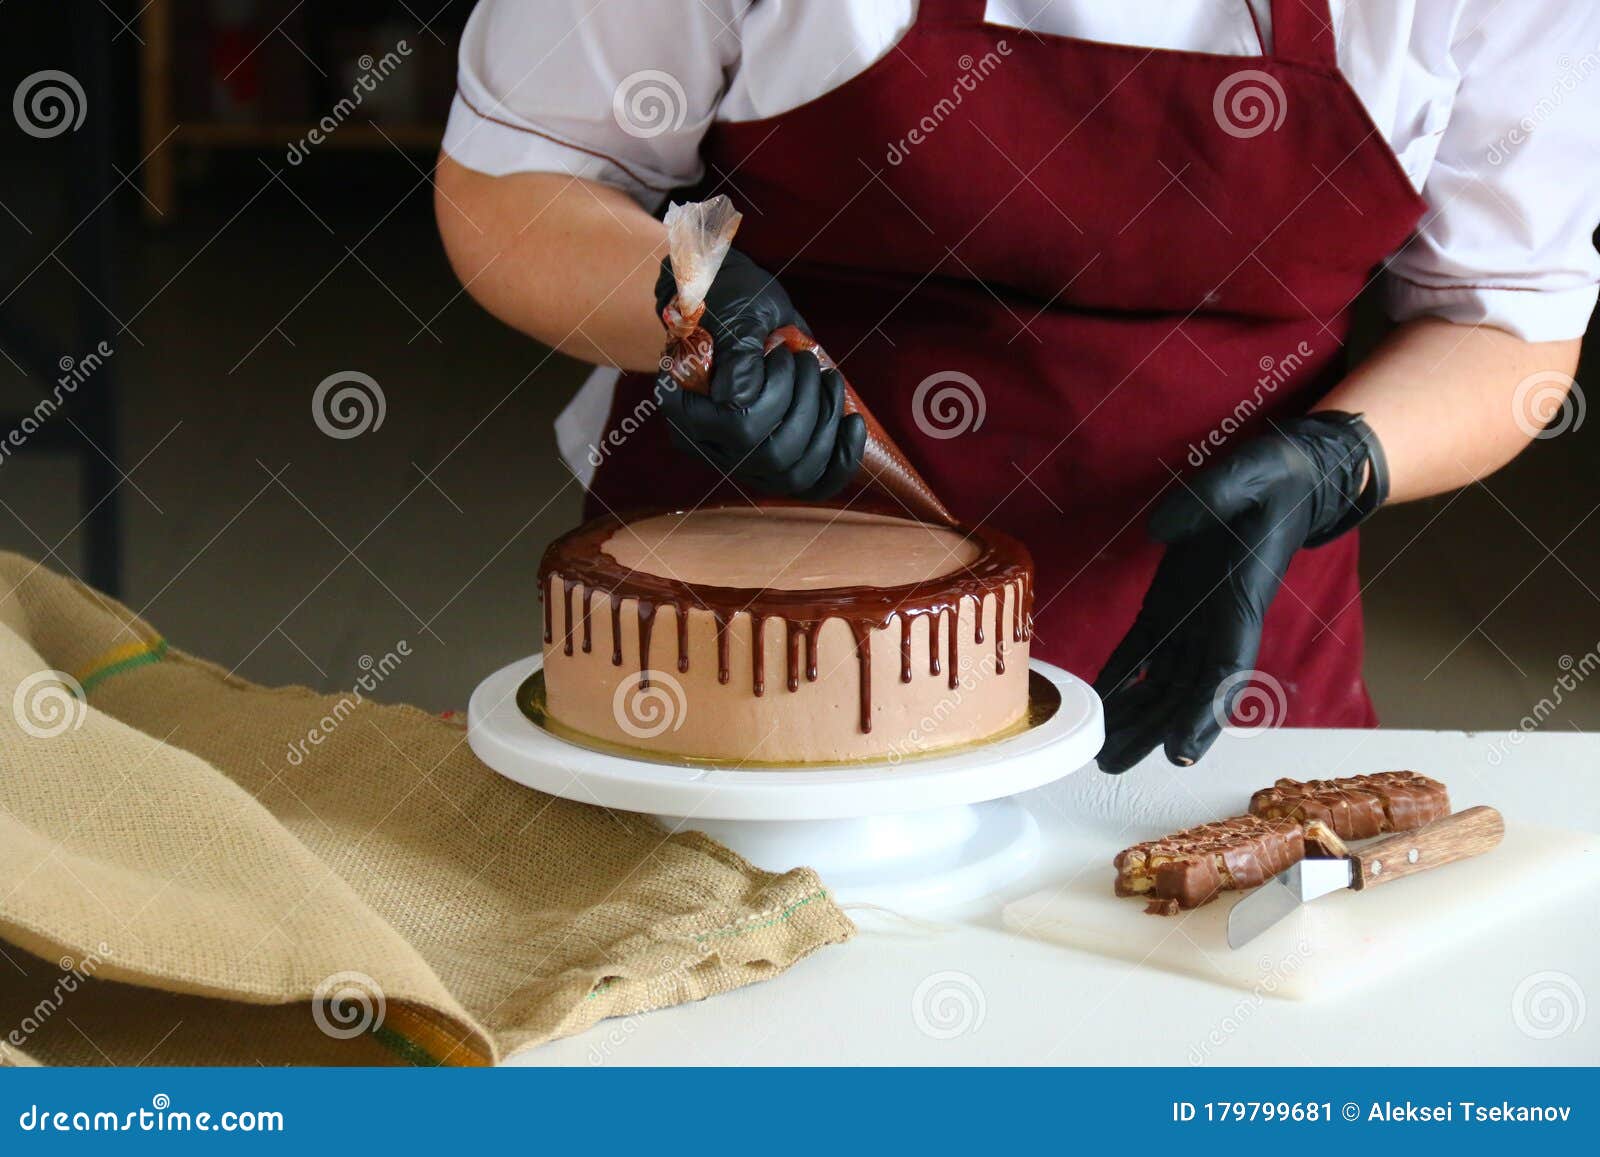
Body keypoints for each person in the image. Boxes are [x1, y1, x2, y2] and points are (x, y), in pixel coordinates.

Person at [435, 0, 1596, 772]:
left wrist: (1340, 460)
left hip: (1204, 675)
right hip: (745, 655)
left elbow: (1506, 324)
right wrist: (690, 304)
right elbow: (511, 192)